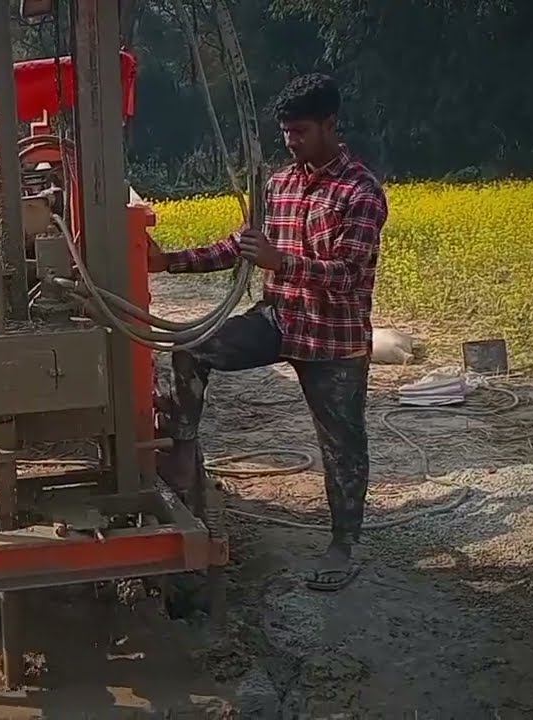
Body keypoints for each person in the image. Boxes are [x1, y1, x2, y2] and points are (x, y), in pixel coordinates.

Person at [148, 72, 388, 592]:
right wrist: (169, 261)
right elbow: (243, 245)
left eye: (301, 131)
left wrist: (283, 263)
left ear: (330, 124)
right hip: (280, 319)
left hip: (333, 339)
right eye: (286, 132)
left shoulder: (360, 192)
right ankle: (182, 452)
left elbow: (350, 275)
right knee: (191, 347)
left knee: (343, 445)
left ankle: (343, 545)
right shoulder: (280, 184)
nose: (291, 141)